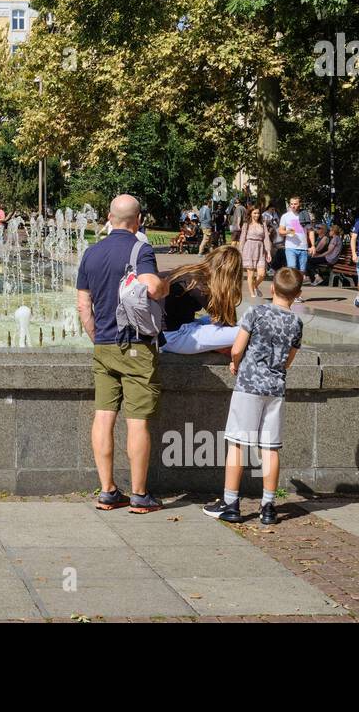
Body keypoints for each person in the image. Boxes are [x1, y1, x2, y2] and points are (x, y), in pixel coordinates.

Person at [75, 194, 168, 514]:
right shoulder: (139, 249)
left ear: (109, 217)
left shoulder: (90, 252)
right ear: (138, 219)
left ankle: (108, 491)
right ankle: (140, 495)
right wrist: (165, 286)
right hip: (135, 348)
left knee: (103, 416)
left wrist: (98, 337)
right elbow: (152, 288)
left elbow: (83, 306)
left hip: (103, 346)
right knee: (137, 422)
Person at [203, 266, 304, 526]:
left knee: (237, 443)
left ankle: (231, 503)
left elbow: (237, 347)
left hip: (249, 385)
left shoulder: (256, 312)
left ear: (272, 288)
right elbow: (288, 362)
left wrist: (236, 362)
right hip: (275, 389)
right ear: (298, 294)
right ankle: (268, 507)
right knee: (270, 448)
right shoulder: (296, 322)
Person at [159, 245, 243, 354]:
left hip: (169, 331)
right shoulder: (200, 286)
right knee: (244, 332)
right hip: (174, 337)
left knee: (241, 323)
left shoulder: (191, 272)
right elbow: (228, 321)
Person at [239, 205, 271, 298]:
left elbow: (266, 238)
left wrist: (268, 251)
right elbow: (242, 238)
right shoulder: (246, 224)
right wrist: (240, 251)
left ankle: (255, 286)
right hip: (249, 248)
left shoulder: (262, 223)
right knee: (251, 273)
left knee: (262, 274)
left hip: (260, 248)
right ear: (250, 213)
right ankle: (252, 294)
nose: (257, 215)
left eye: (258, 213)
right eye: (255, 213)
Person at [278, 196, 310, 275]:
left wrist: (312, 246)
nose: (293, 206)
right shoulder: (285, 216)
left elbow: (310, 230)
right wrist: (288, 232)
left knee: (302, 271)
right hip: (290, 247)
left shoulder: (305, 215)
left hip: (303, 247)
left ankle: (297, 286)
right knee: (292, 268)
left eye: (295, 204)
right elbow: (280, 231)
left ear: (300, 204)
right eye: (291, 204)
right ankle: (292, 286)